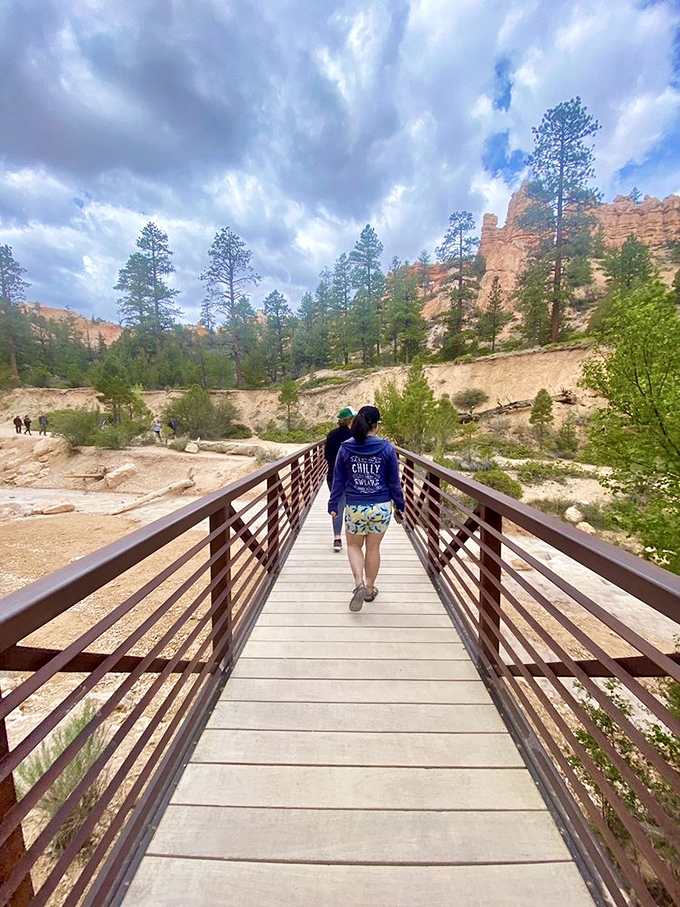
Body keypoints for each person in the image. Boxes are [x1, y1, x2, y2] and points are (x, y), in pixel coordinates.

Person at [328, 405, 405, 611]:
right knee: (373, 548)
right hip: (381, 507)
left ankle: (359, 584)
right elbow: (394, 482)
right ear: (375, 425)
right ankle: (370, 590)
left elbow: (338, 480)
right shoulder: (387, 448)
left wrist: (333, 503)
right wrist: (400, 505)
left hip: (355, 507)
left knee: (353, 546)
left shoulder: (346, 447)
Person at [324, 406, 357, 551]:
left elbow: (326, 456)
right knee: (349, 505)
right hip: (350, 477)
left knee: (337, 504)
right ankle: (352, 535)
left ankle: (337, 538)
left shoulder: (331, 435)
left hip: (332, 476)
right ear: (350, 420)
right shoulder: (355, 436)